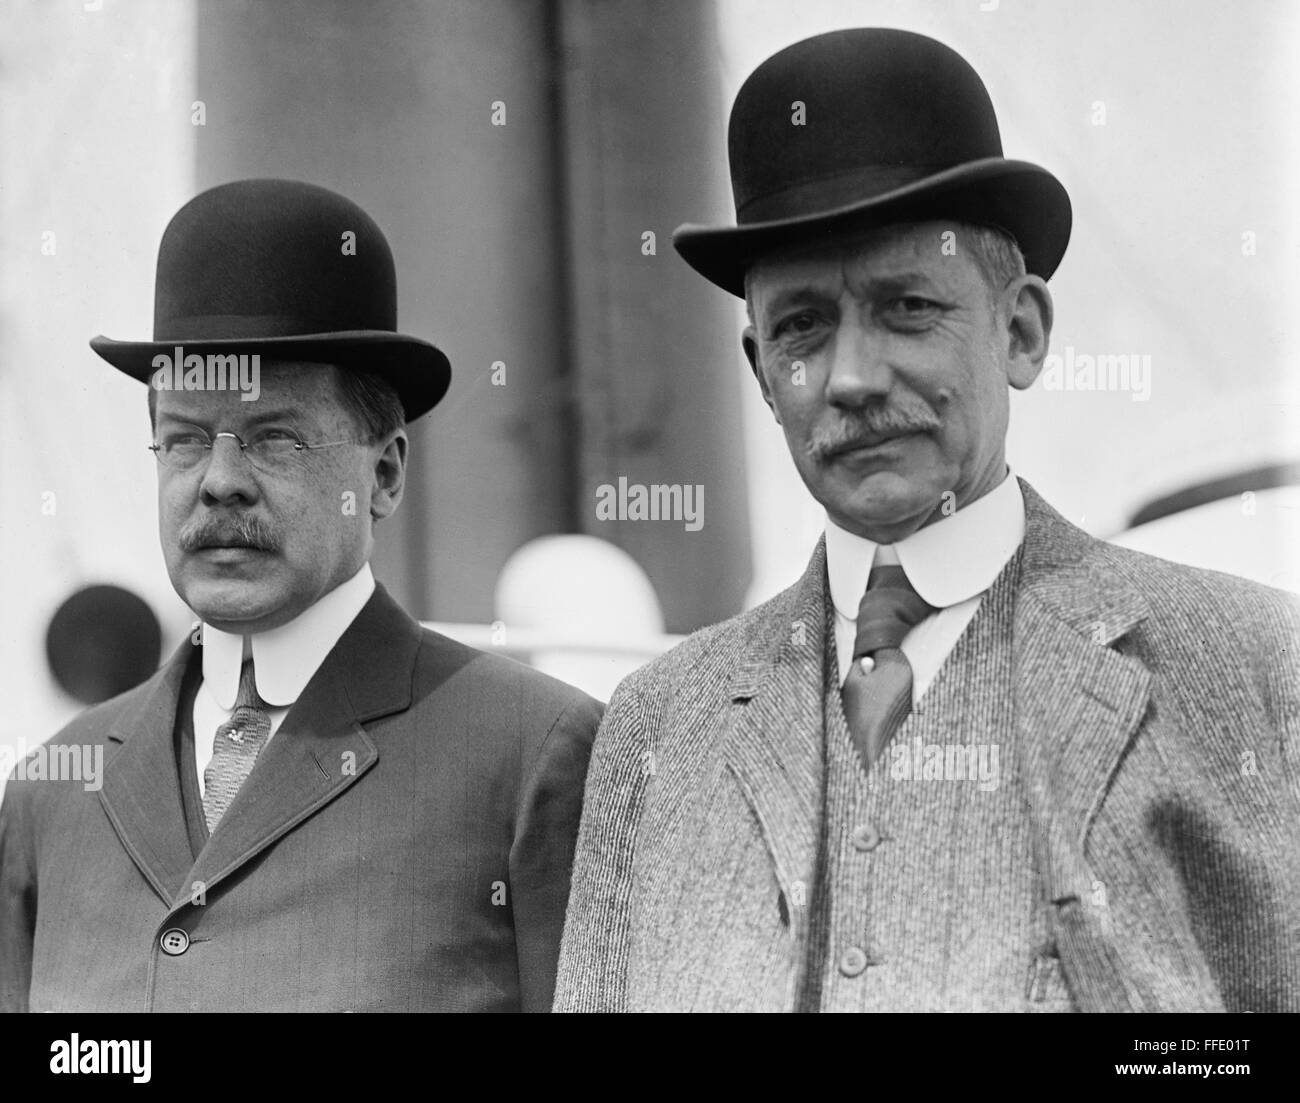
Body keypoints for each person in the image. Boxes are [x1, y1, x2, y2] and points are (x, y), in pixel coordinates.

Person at [554, 28, 1300, 1012]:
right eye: (802, 326)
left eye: (906, 306)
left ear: (1022, 331)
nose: (853, 378)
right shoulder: (655, 726)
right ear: (762, 375)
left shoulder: (1250, 669)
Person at [0, 178, 601, 1012]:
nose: (217, 484)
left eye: (272, 437)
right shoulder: (49, 797)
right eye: (182, 441)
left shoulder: (534, 755)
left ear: (384, 472)